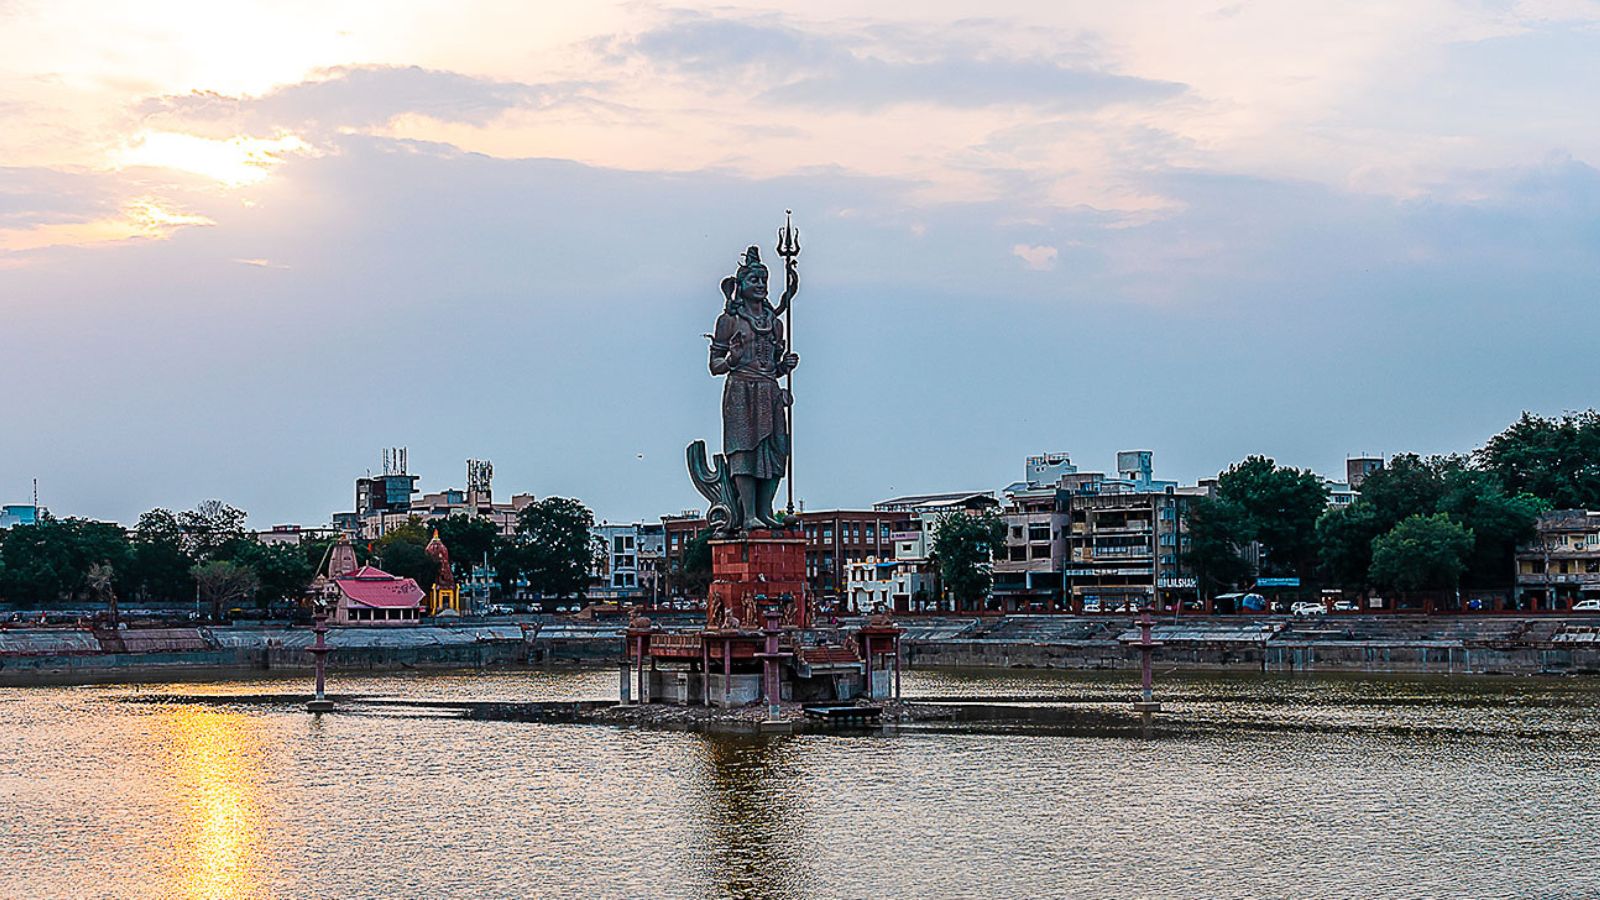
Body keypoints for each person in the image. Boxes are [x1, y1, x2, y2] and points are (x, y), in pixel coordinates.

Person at [709, 245, 799, 528]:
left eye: (764, 280)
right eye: (754, 280)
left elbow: (774, 365)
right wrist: (732, 359)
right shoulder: (729, 320)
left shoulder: (775, 323)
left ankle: (764, 511)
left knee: (775, 451)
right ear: (741, 285)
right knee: (744, 452)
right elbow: (714, 366)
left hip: (769, 391)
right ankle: (747, 515)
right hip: (741, 391)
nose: (760, 285)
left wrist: (786, 367)